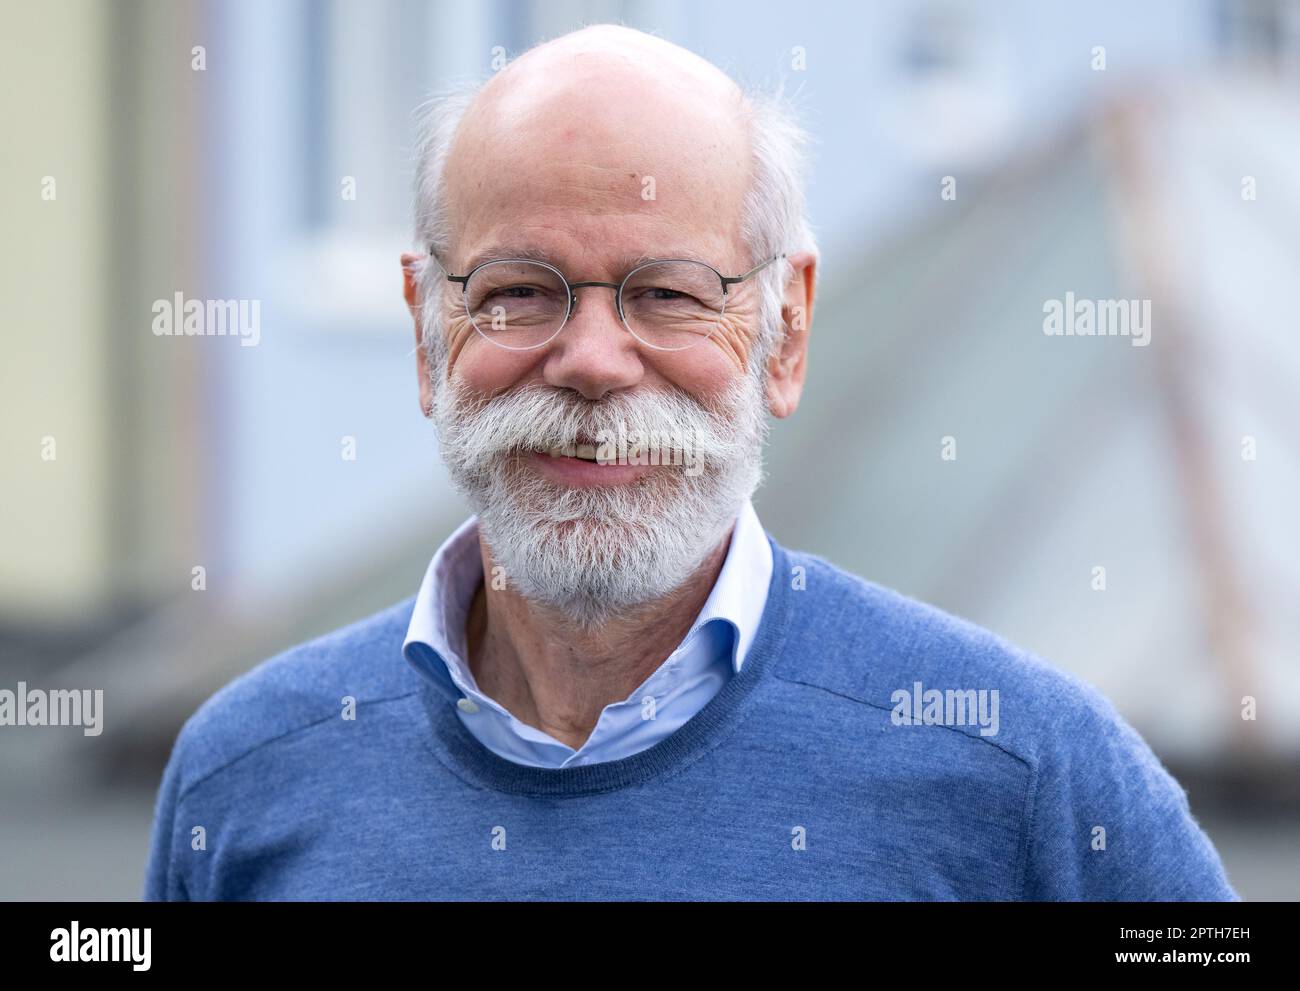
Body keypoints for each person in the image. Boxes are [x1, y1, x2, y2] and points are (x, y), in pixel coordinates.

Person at [143, 24, 1238, 901]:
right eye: (519, 290)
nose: (588, 361)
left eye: (665, 293)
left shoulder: (1026, 771)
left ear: (786, 331)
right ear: (429, 329)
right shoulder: (248, 772)